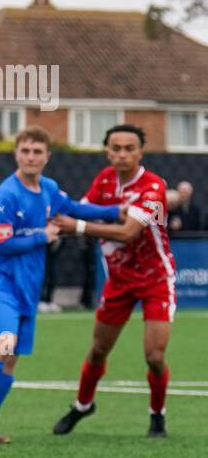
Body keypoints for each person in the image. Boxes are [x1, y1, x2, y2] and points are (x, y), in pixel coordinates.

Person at [0, 127, 120, 444]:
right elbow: (1, 243)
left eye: (37, 152)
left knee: (14, 355)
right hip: (3, 280)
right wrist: (42, 236)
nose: (31, 157)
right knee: (5, 342)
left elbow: (76, 209)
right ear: (16, 154)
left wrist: (119, 211)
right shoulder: (6, 194)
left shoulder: (48, 189)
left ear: (47, 156)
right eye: (26, 151)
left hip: (29, 284)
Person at [54, 125, 176, 438]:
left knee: (154, 356)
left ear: (141, 152)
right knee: (97, 350)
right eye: (116, 148)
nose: (122, 154)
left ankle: (157, 414)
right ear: (108, 152)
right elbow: (82, 208)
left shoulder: (153, 186)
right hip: (119, 281)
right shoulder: (104, 180)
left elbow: (128, 232)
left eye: (129, 148)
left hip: (156, 279)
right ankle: (83, 405)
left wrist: (78, 226)